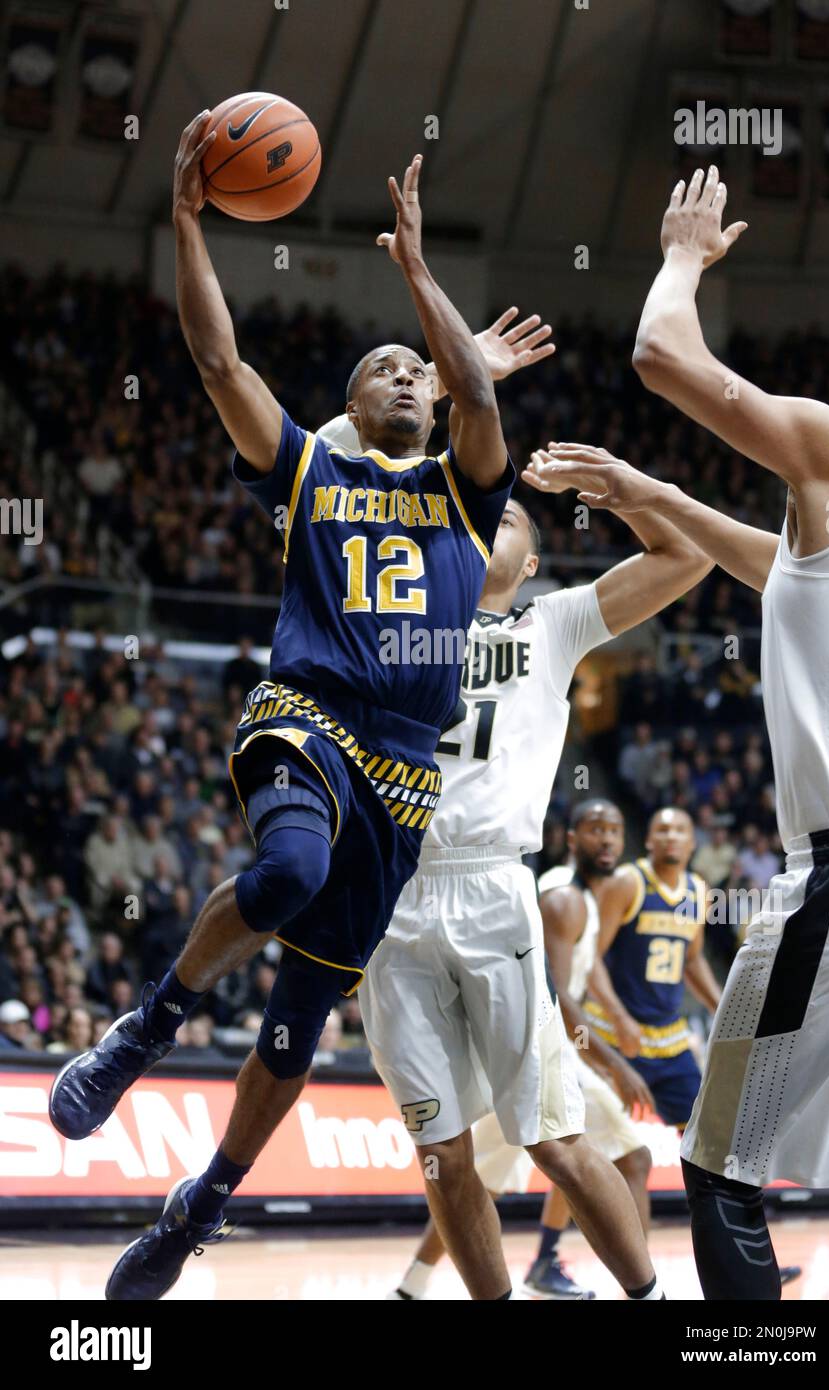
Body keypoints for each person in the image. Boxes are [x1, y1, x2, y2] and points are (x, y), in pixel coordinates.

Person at [49, 124, 544, 1303]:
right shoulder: (312, 473)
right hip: (305, 713)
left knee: (294, 1021)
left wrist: (425, 287)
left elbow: (474, 394)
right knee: (280, 873)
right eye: (387, 367)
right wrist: (184, 223)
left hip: (406, 774)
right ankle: (147, 1027)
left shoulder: (469, 502)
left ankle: (198, 1205)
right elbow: (221, 366)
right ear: (347, 403)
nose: (411, 377)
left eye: (419, 369)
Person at [530, 160, 829, 1298]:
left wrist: (681, 258)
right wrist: (642, 488)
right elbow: (763, 566)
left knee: (717, 1168)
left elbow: (662, 358)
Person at [359, 444, 713, 1301]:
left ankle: (650, 1296)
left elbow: (689, 555)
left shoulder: (550, 624)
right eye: (479, 516)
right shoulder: (386, 618)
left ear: (536, 560)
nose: (491, 525)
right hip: (390, 890)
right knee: (442, 1152)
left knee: (553, 1140)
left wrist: (616, 488)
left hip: (490, 886)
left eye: (509, 518)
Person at [386, 799, 655, 1301]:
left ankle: (412, 1286)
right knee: (626, 1157)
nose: (608, 841)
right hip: (538, 1035)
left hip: (520, 1035)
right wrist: (614, 1061)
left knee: (487, 1175)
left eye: (616, 831)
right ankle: (615, 1279)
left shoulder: (587, 899)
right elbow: (554, 988)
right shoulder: (562, 899)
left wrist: (617, 1016)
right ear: (571, 840)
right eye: (596, 830)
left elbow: (585, 970)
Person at [583, 807, 719, 1131]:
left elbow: (693, 960)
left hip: (669, 1039)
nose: (671, 836)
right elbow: (590, 957)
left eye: (680, 830)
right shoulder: (627, 882)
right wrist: (620, 1018)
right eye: (662, 830)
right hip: (614, 1034)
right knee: (606, 1152)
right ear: (647, 840)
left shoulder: (698, 891)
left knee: (703, 1137)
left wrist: (721, 1006)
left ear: (692, 843)